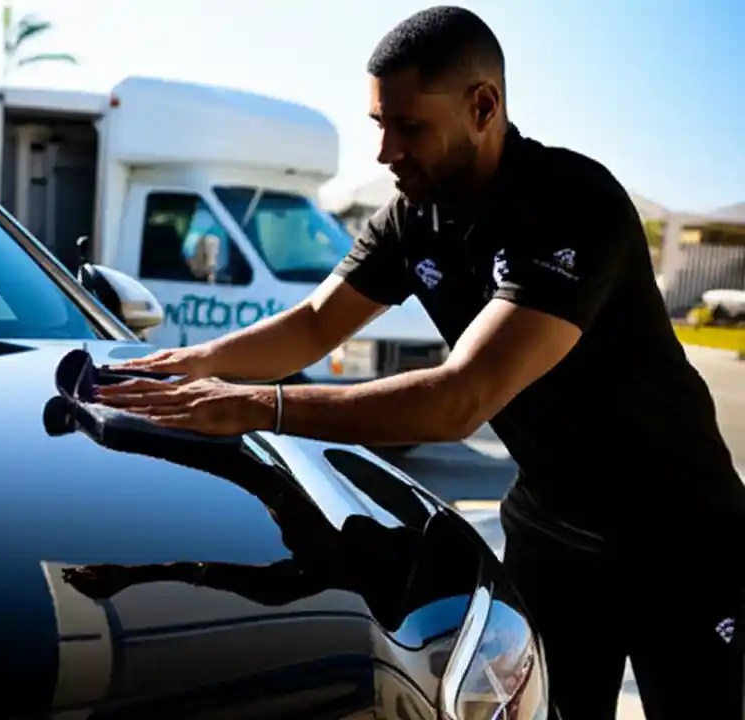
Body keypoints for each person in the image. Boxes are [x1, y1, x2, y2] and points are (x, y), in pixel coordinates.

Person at [95, 6, 744, 718]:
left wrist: (262, 406)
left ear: (483, 106)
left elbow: (460, 399)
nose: (385, 152)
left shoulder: (572, 205)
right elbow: (313, 326)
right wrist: (189, 365)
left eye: (408, 127)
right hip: (551, 533)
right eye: (380, 124)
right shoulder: (413, 218)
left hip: (678, 538)